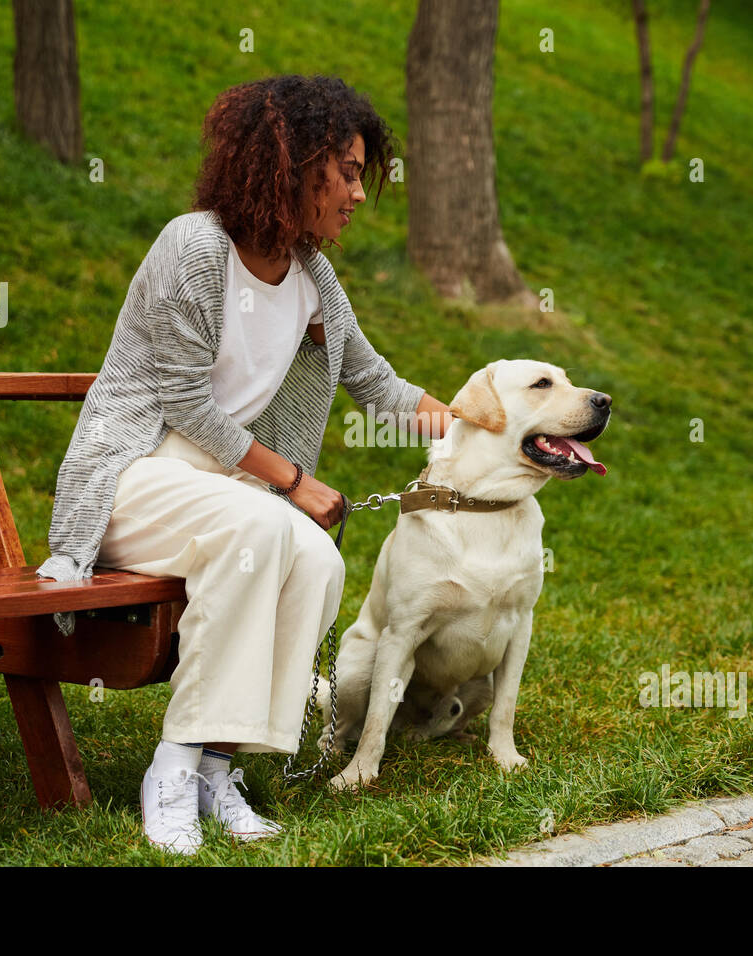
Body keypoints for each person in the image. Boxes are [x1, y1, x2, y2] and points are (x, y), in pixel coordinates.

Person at [35, 74, 454, 854]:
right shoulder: (194, 248)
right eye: (350, 171)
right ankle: (170, 766)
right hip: (138, 475)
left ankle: (215, 768)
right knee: (268, 526)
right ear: (292, 164)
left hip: (232, 491)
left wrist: (482, 423)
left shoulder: (312, 277)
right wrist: (292, 480)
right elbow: (186, 403)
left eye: (364, 174)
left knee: (317, 561)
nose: (360, 194)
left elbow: (376, 381)